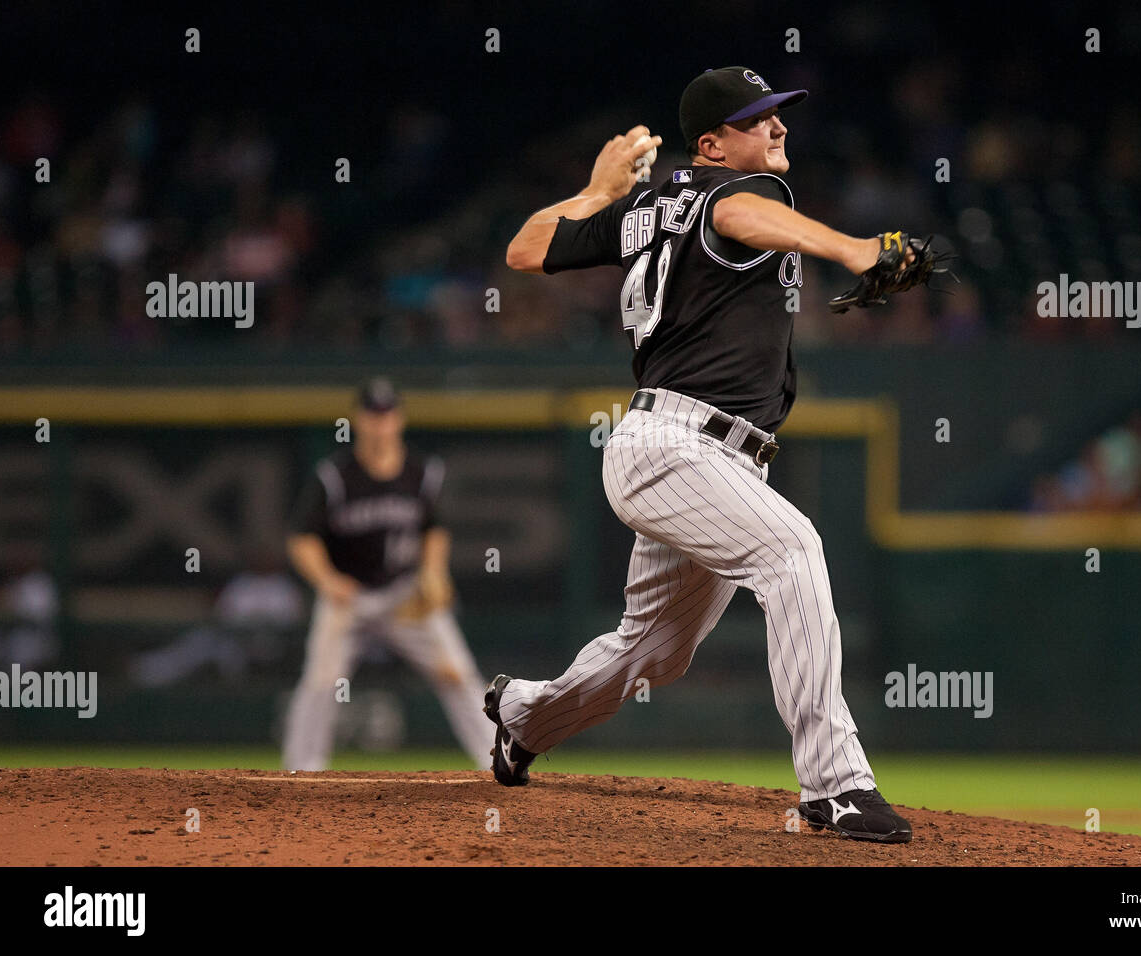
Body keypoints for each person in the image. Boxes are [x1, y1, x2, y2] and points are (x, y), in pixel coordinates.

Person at [487, 66, 915, 842]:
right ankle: (838, 785)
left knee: (657, 648)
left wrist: (595, 191)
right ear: (712, 144)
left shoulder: (647, 207)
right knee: (793, 551)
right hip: (676, 445)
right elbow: (745, 214)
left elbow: (525, 249)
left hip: (690, 456)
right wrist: (853, 248)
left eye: (779, 115)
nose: (778, 128)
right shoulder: (738, 194)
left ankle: (524, 715)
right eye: (759, 120)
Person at [282, 377, 494, 771]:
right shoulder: (334, 477)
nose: (381, 423)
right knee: (321, 681)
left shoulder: (422, 474)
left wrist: (434, 572)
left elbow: (434, 529)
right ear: (359, 420)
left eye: (387, 414)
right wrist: (328, 581)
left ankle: (496, 760)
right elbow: (301, 539)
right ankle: (303, 770)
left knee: (458, 674)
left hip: (404, 594)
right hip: (349, 597)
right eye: (373, 415)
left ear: (399, 419)